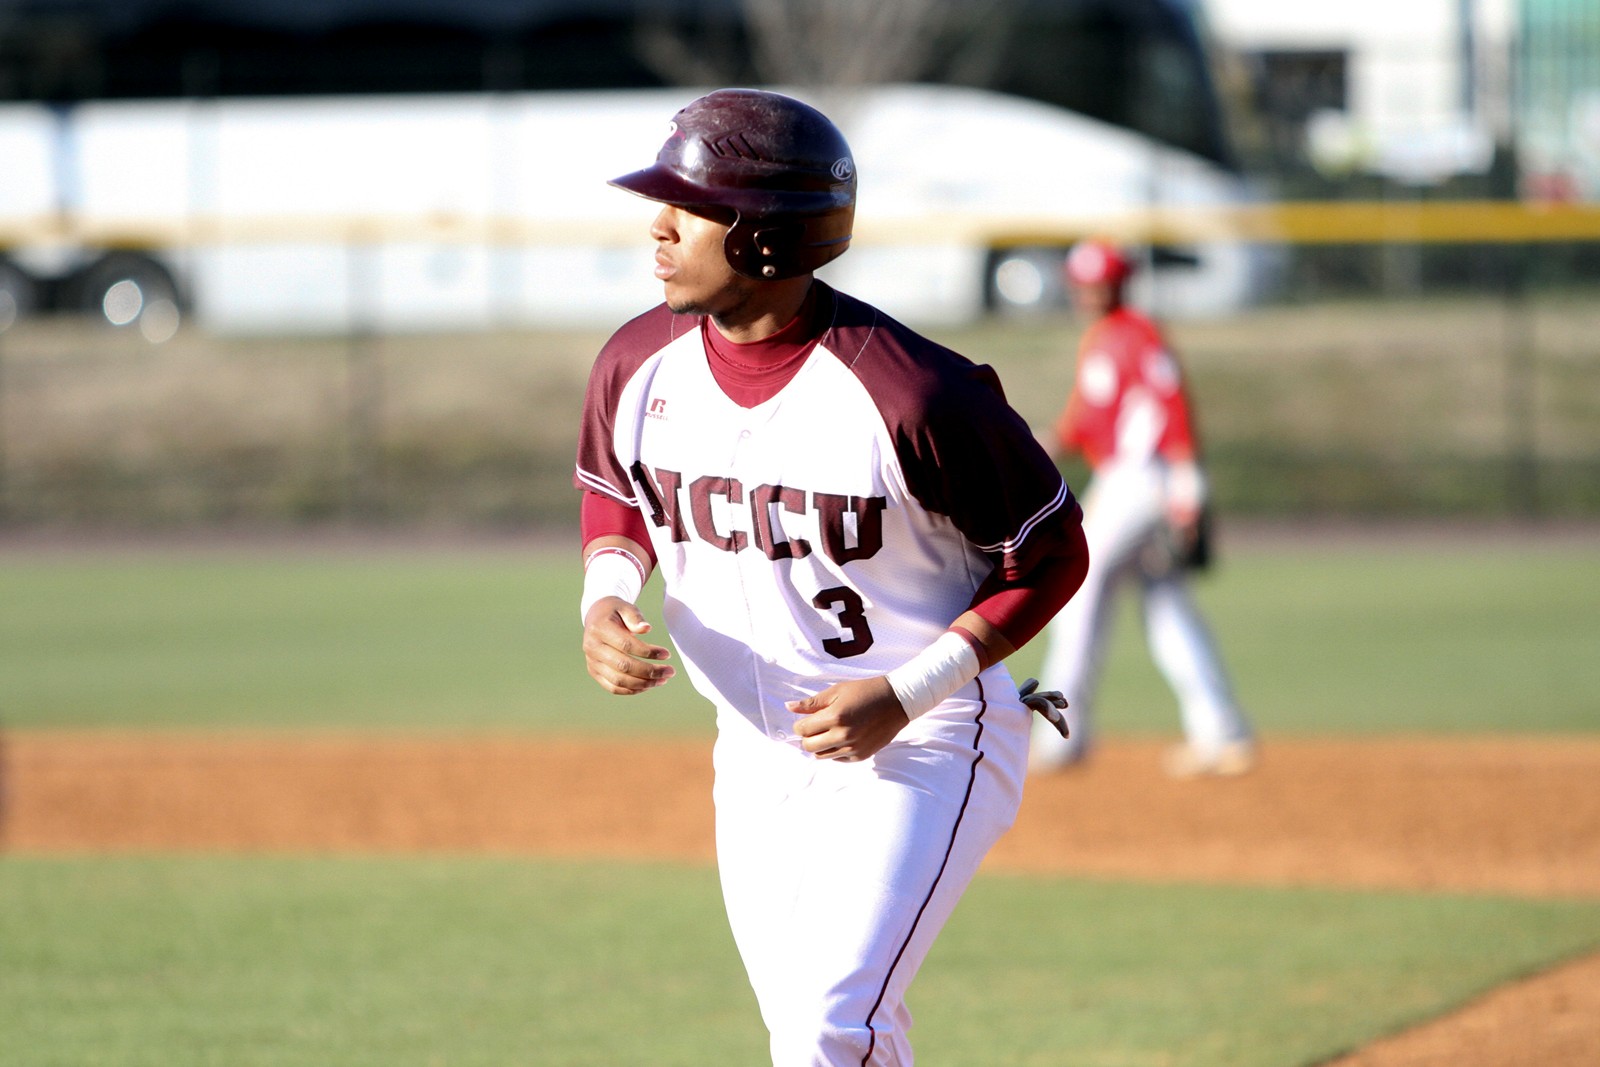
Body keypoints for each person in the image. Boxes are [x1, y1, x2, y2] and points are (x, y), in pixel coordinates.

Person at [573, 88, 1089, 1066]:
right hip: (756, 748)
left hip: (925, 736)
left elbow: (1052, 551)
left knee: (829, 1026)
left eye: (691, 204)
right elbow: (617, 493)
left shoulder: (909, 393)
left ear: (765, 236)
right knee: (812, 1037)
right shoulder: (636, 361)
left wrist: (909, 691)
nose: (659, 224)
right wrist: (607, 590)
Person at [1029, 237, 1256, 779]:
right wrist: (1047, 441)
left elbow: (1172, 407)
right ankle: (1222, 732)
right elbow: (1087, 416)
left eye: (1096, 282)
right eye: (1081, 283)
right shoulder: (1102, 339)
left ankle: (1063, 737)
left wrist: (1187, 488)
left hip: (1143, 481)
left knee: (1078, 589)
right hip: (1126, 478)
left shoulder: (1137, 334)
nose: (1086, 292)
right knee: (1167, 604)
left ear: (1117, 283)